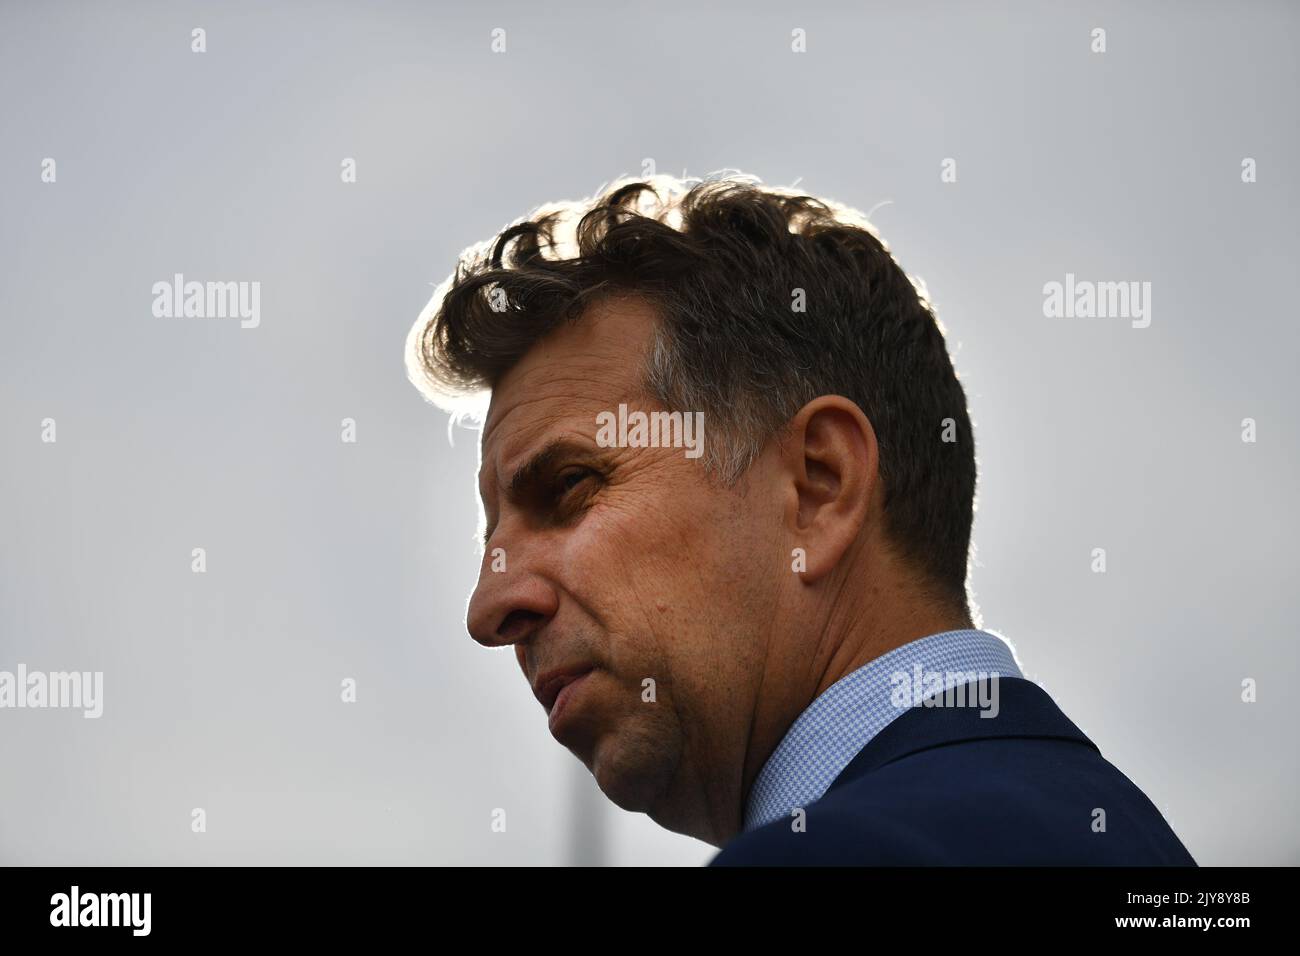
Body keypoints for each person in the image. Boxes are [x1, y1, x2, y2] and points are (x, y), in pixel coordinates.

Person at [404, 174, 1196, 865]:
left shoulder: (851, 854)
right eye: (492, 537)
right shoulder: (1123, 836)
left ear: (819, 486)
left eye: (571, 487)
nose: (489, 609)